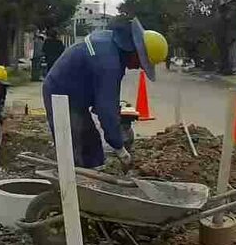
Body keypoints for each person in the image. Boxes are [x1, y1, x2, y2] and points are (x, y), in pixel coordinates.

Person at [42, 17, 167, 168]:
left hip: (76, 96)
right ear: (136, 51)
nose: (139, 67)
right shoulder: (108, 62)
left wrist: (112, 111)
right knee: (73, 147)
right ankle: (70, 179)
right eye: (141, 62)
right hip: (59, 93)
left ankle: (89, 171)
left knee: (92, 148)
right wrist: (120, 148)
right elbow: (106, 109)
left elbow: (105, 96)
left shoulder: (111, 43)